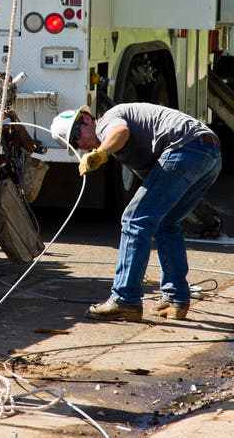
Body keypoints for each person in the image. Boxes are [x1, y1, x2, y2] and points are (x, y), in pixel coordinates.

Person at [51, 102, 222, 322]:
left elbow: (120, 132)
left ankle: (125, 300)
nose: (81, 143)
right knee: (166, 223)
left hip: (187, 148)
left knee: (134, 220)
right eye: (74, 144)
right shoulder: (126, 150)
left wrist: (101, 153)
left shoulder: (107, 121)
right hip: (208, 151)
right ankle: (176, 299)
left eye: (77, 135)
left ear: (86, 119)